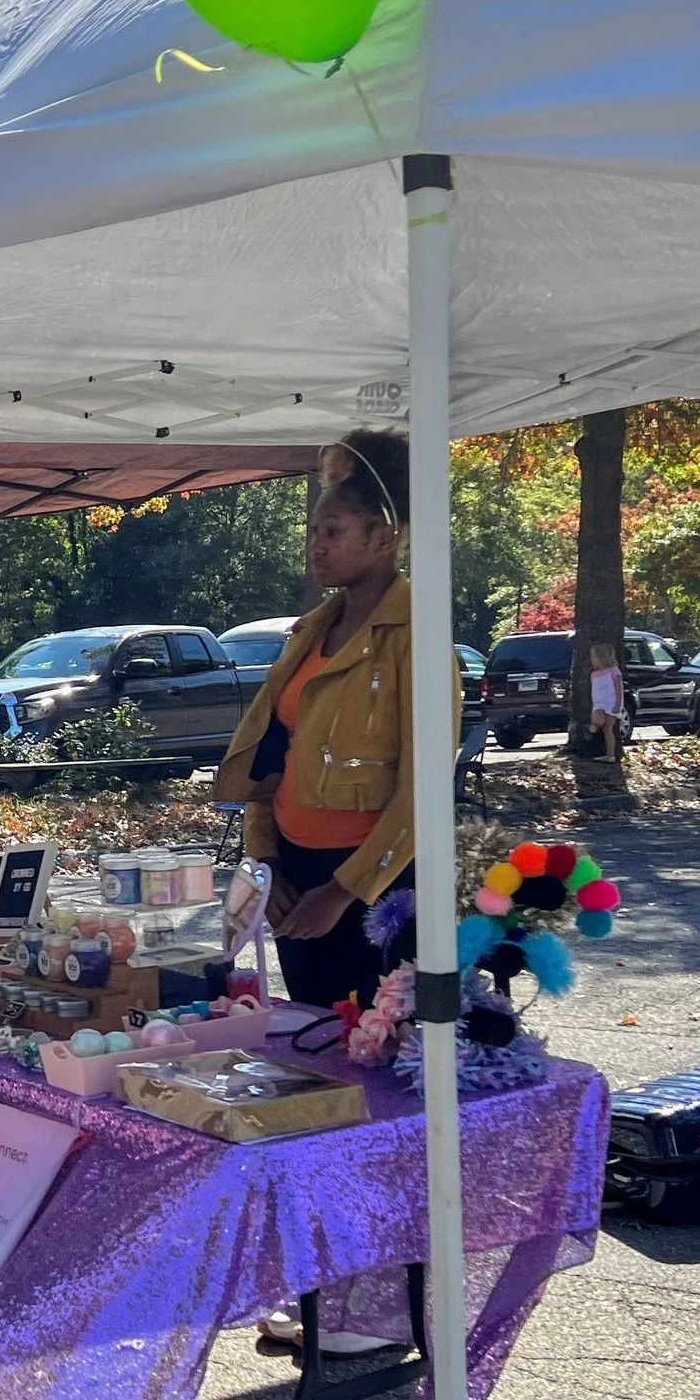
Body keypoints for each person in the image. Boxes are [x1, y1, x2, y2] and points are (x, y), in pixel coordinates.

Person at [217, 429, 430, 1013]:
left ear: (384, 538)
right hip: (293, 876)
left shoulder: (419, 636)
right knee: (313, 1043)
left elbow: (422, 795)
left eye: (333, 532)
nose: (316, 545)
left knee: (376, 1050)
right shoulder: (308, 632)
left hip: (375, 885)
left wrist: (343, 891)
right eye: (313, 530)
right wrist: (265, 864)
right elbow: (267, 760)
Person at [588, 642, 626, 762]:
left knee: (607, 728)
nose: (592, 659)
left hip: (611, 703)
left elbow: (619, 689)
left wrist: (618, 705)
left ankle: (610, 755)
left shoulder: (614, 672)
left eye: (594, 657)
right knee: (597, 722)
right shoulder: (594, 674)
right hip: (598, 703)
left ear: (603, 657)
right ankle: (590, 735)